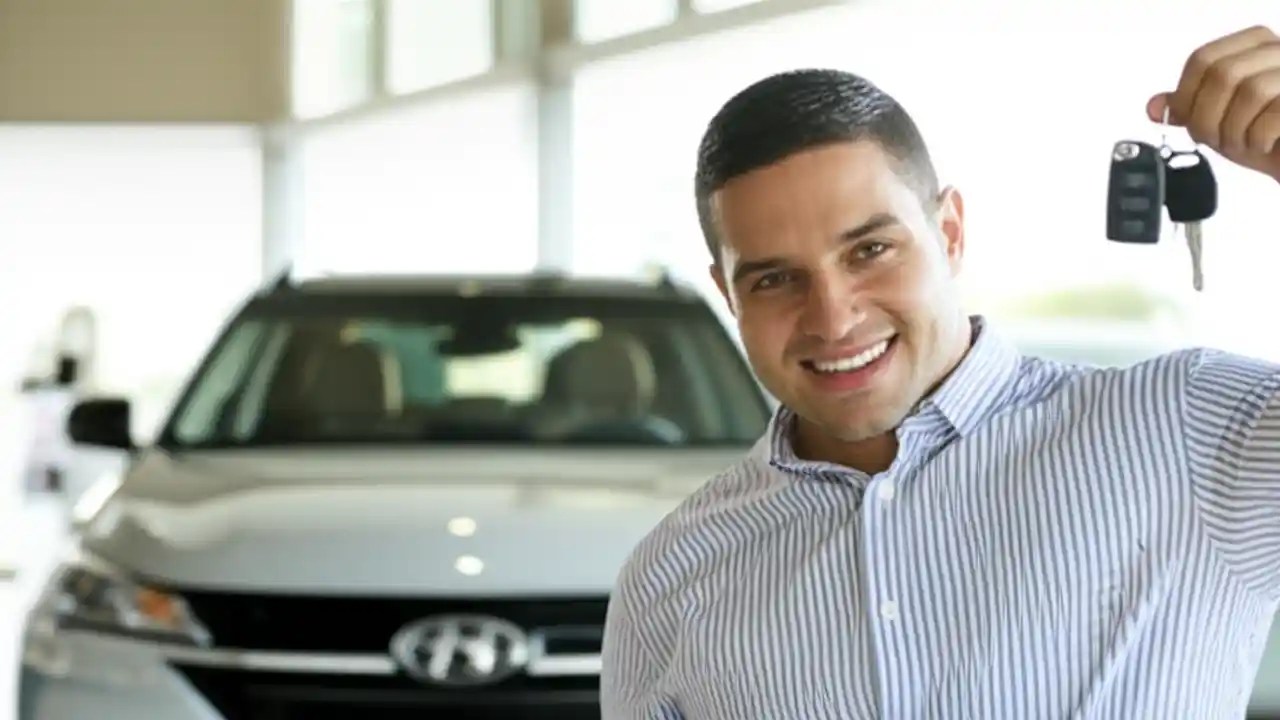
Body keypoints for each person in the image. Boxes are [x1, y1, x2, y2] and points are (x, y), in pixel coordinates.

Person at [601, 23, 1280, 719]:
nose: (832, 319)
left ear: (949, 232)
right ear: (728, 294)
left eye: (870, 250)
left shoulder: (1190, 431)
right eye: (774, 279)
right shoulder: (668, 578)